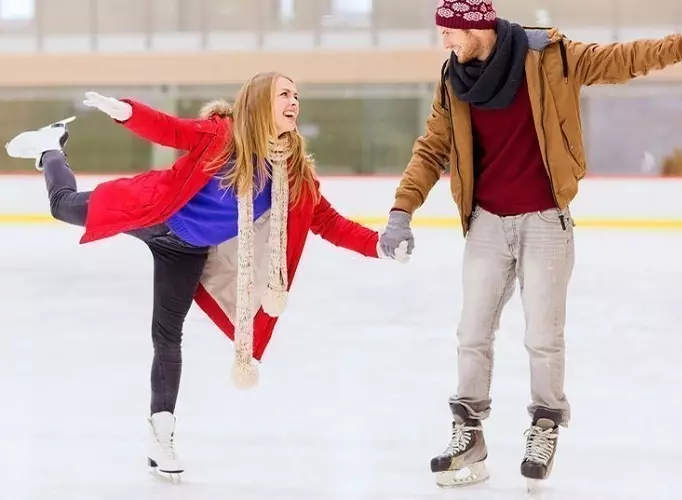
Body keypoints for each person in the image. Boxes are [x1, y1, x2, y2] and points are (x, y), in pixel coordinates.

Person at [378, 1, 682, 489]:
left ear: (477, 25)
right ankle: (469, 433)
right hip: (486, 223)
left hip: (546, 221)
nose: (443, 42)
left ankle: (544, 425)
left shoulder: (551, 55)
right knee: (472, 333)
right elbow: (431, 148)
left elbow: (625, 58)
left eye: (449, 31)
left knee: (543, 337)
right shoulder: (453, 79)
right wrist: (401, 211)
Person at [5, 71, 408, 481]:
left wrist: (379, 244)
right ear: (259, 102)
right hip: (153, 211)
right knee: (63, 206)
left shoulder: (294, 174)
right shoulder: (221, 135)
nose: (294, 102)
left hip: (186, 251)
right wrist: (126, 111)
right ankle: (51, 149)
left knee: (167, 334)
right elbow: (170, 131)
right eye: (284, 94)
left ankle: (160, 434)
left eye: (297, 95)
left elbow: (330, 222)